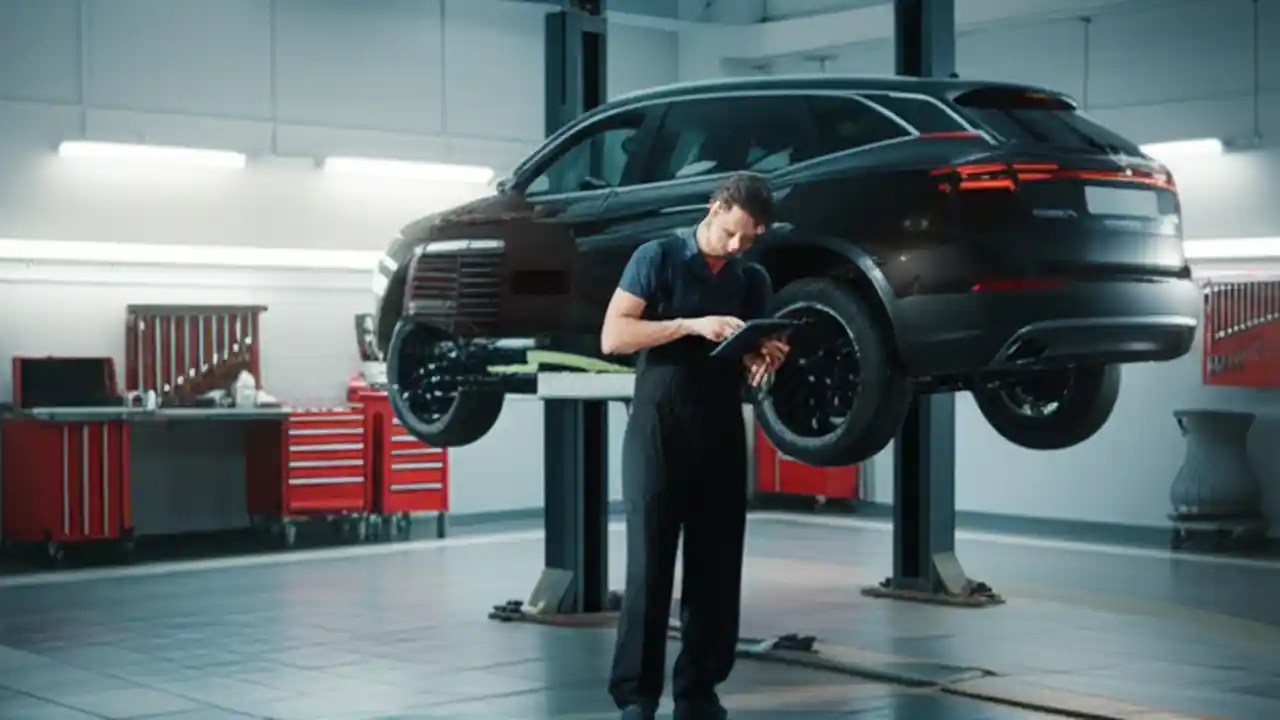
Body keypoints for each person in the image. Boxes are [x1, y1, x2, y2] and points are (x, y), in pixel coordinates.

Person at [599, 172, 790, 720]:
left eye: (749, 239)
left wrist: (764, 354)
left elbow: (753, 349)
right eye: (732, 233)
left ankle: (700, 691)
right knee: (650, 568)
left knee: (716, 568)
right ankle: (636, 697)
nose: (737, 247)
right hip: (657, 427)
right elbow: (613, 336)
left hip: (720, 427)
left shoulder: (750, 279)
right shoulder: (656, 257)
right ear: (715, 207)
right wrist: (690, 325)